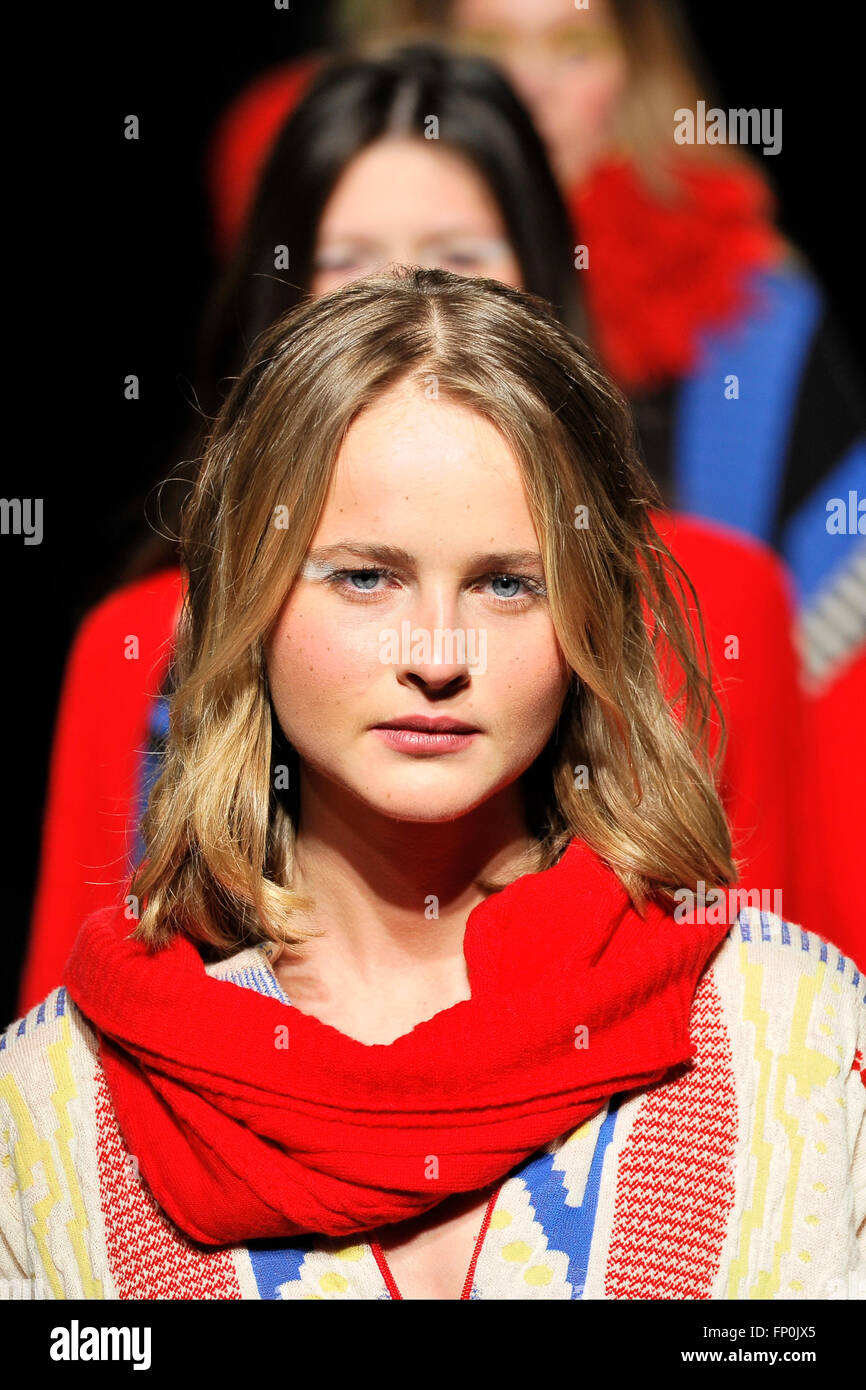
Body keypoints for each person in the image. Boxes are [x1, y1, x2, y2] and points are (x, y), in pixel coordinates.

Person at [2, 268, 863, 1301]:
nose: (437, 652)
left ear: (588, 613)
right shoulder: (52, 1106)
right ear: (247, 591)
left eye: (506, 582)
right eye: (366, 576)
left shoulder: (801, 1041)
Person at [16, 45, 811, 1016]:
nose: (404, 300)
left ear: (539, 274)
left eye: (457, 257)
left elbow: (784, 986)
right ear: (277, 297)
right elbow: (69, 1023)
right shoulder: (138, 639)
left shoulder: (720, 596)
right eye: (346, 262)